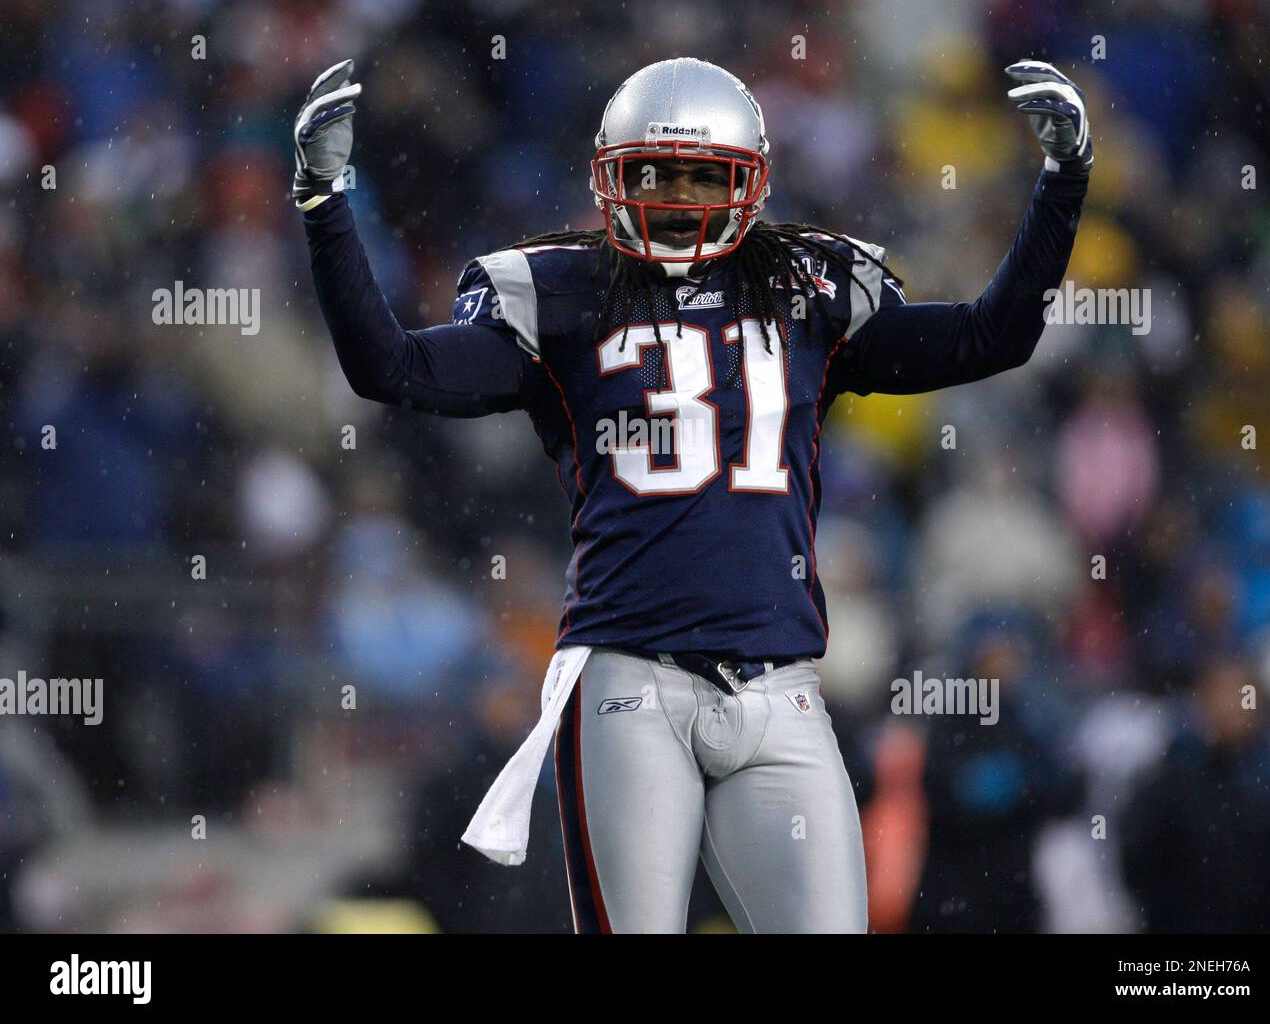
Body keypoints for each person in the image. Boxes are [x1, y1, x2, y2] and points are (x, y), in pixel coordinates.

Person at [292, 55, 1092, 933]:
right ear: (610, 178)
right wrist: (325, 204)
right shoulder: (559, 293)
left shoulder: (807, 289)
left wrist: (1062, 182)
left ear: (749, 180)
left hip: (781, 691)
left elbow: (992, 337)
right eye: (654, 172)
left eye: (702, 173)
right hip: (632, 685)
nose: (677, 195)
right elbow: (392, 367)